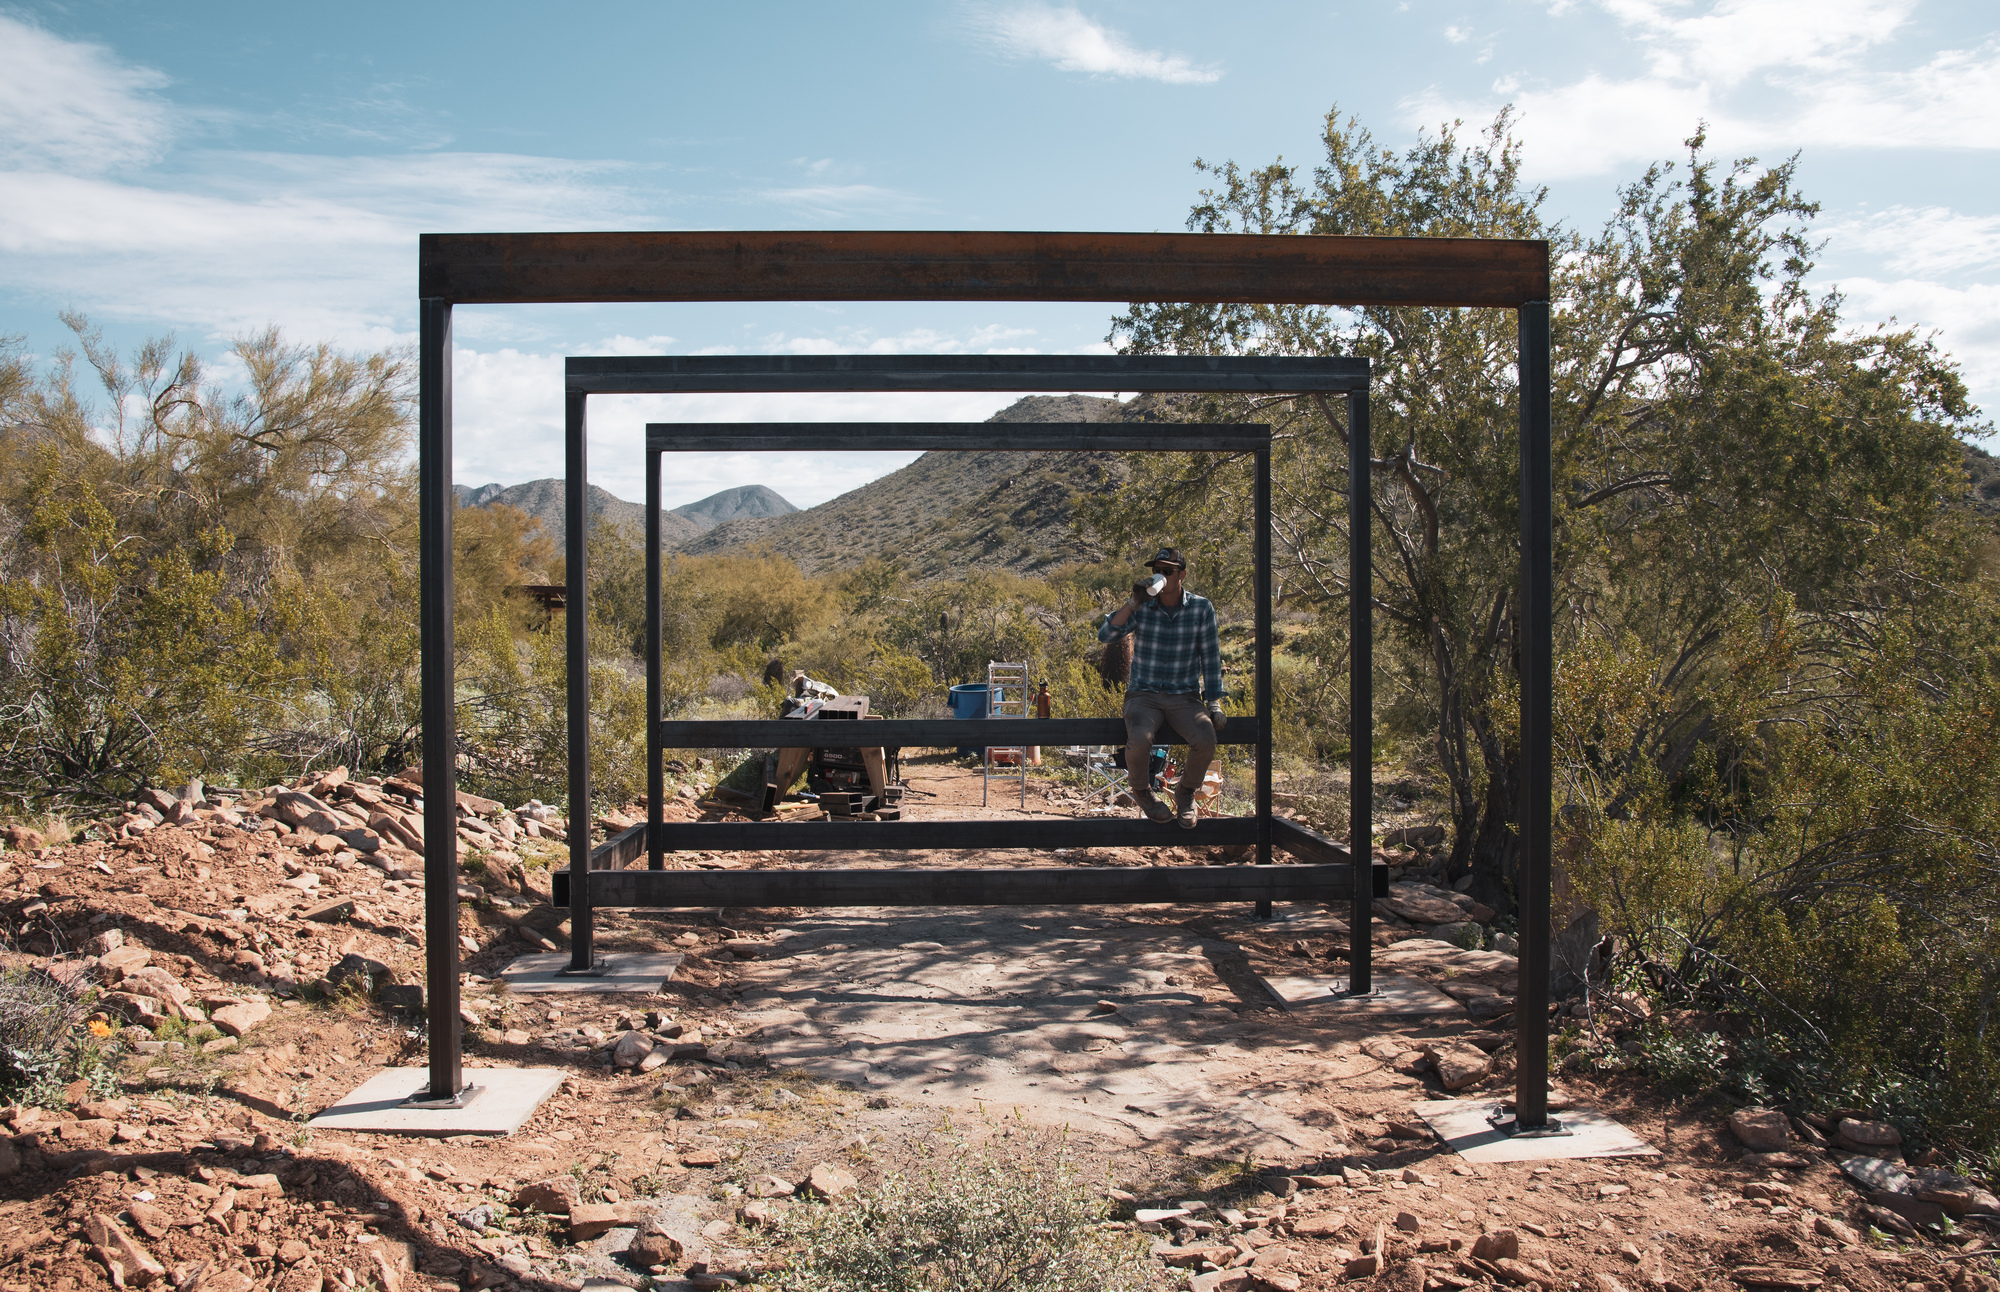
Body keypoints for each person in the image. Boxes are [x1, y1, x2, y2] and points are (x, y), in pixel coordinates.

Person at [1096, 546, 1224, 829]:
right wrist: (1132, 602)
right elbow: (1106, 634)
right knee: (1140, 740)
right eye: (1157, 570)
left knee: (1206, 738)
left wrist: (1213, 702)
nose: (1161, 576)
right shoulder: (1143, 606)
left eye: (1167, 571)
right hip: (1144, 693)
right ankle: (1143, 792)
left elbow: (1211, 657)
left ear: (1182, 575)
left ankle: (1185, 791)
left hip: (1185, 696)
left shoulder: (1201, 608)